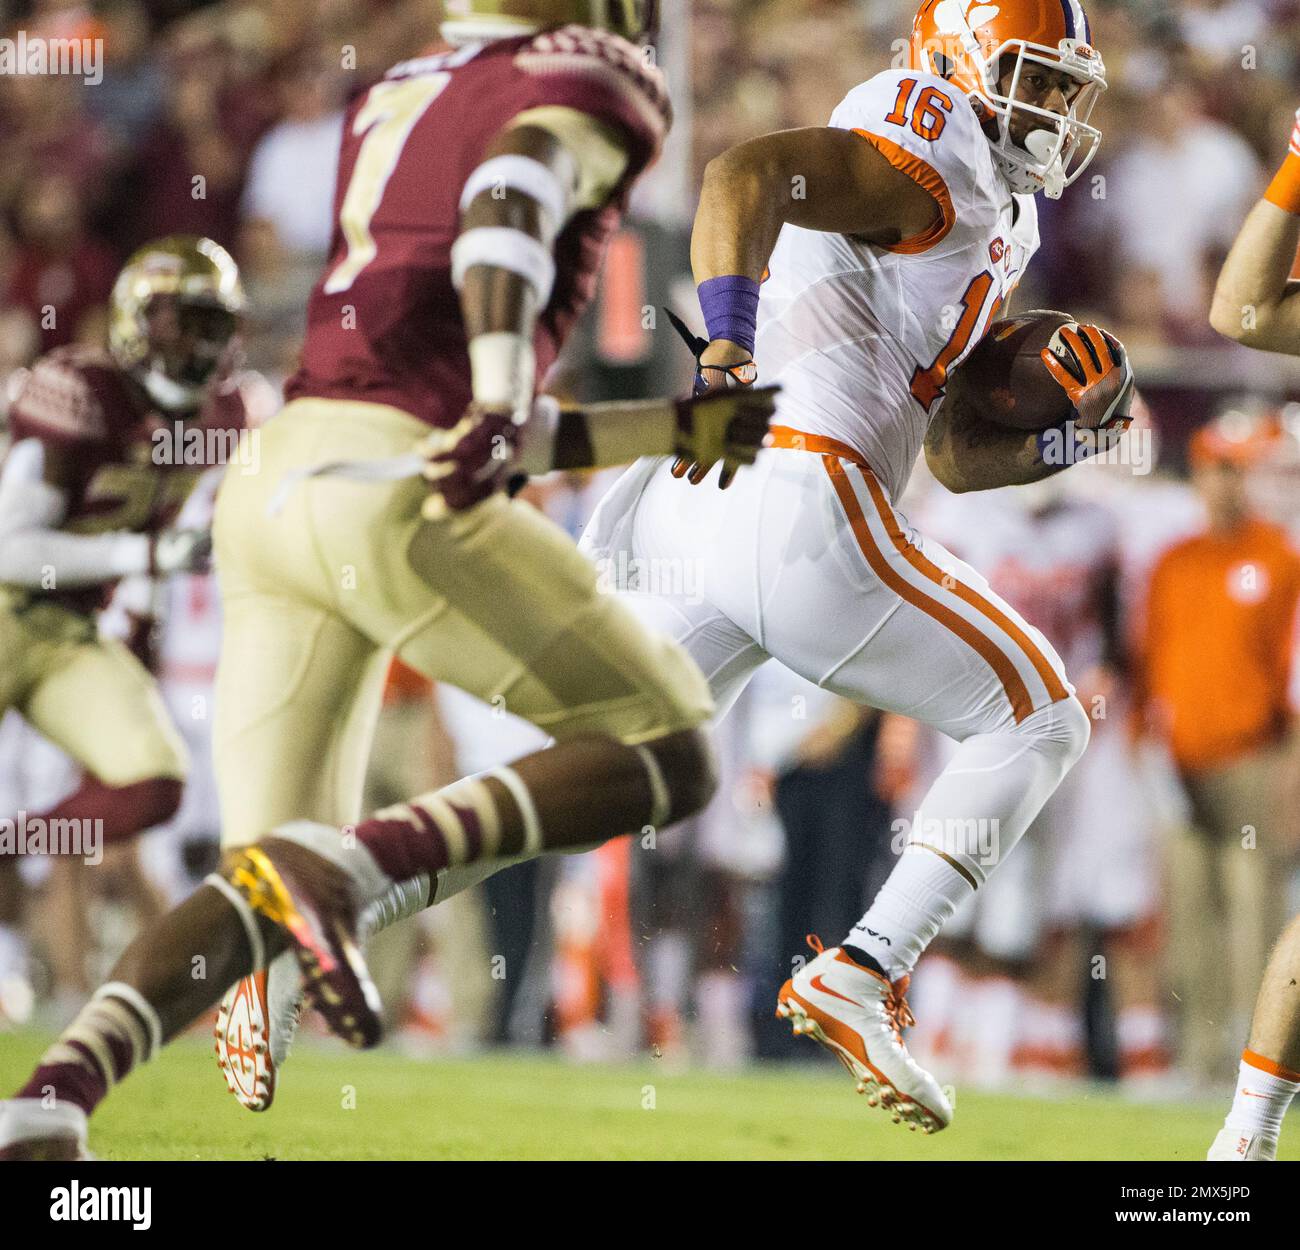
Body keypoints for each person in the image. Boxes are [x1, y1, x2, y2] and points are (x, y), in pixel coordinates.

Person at [0, 0, 775, 1159]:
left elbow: (444, 388)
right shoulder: (588, 74)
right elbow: (507, 214)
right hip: (386, 489)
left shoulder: (406, 85)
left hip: (279, 482)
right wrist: (508, 380)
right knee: (672, 747)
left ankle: (50, 1098)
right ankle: (355, 869)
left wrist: (665, 426)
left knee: (261, 890)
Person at [574, 0, 1134, 1133]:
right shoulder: (928, 149)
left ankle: (332, 888)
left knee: (599, 774)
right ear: (959, 56)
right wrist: (725, 343)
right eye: (1036, 75)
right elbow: (742, 177)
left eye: (1069, 85)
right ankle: (864, 969)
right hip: (799, 493)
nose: (1057, 107)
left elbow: (955, 455)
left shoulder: (992, 202)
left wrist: (1071, 434)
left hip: (723, 515)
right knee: (1039, 716)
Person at [0, 235, 247, 1008]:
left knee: (155, 785)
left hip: (73, 634)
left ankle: (11, 847)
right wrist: (138, 555)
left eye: (211, 325)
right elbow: (9, 550)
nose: (196, 342)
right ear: (140, 320)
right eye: (182, 321)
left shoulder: (223, 414)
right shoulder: (82, 389)